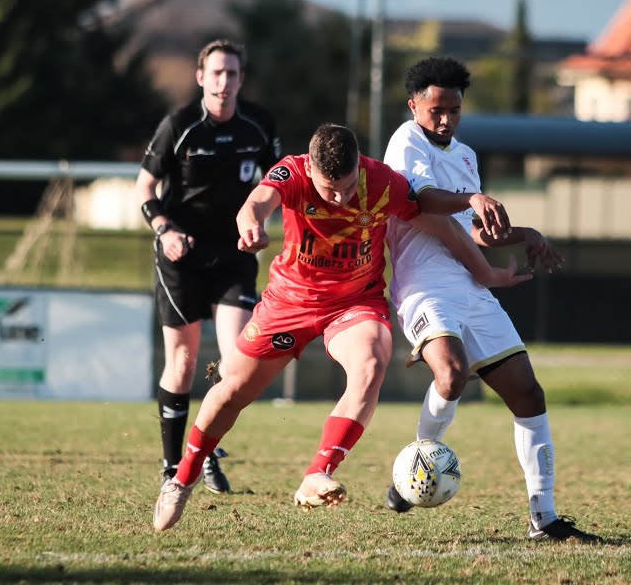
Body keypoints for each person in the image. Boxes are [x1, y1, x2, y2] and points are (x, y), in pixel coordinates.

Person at [153, 123, 529, 531]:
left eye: (348, 188)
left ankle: (318, 471)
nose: (341, 198)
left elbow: (443, 226)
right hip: (290, 301)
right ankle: (182, 479)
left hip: (354, 302)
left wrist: (485, 273)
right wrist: (252, 223)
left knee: (370, 362)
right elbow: (257, 202)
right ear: (311, 169)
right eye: (330, 190)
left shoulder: (383, 183)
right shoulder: (292, 172)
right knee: (231, 392)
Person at [379, 56, 600, 543]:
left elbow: (471, 232)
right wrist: (472, 199)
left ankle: (544, 519)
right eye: (436, 109)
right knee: (452, 373)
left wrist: (525, 234)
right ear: (414, 105)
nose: (445, 119)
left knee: (528, 393)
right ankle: (417, 464)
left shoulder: (466, 155)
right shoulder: (406, 141)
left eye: (454, 110)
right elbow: (419, 200)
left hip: (470, 287)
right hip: (424, 286)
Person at [135, 39, 281, 496]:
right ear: (201, 77)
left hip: (234, 254)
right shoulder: (179, 126)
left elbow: (281, 182)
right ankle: (170, 466)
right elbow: (144, 186)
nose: (224, 82)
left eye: (232, 74)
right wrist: (165, 231)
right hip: (183, 255)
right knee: (183, 361)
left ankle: (207, 450)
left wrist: (265, 222)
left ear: (241, 79)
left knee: (236, 358)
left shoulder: (258, 125)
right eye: (216, 73)